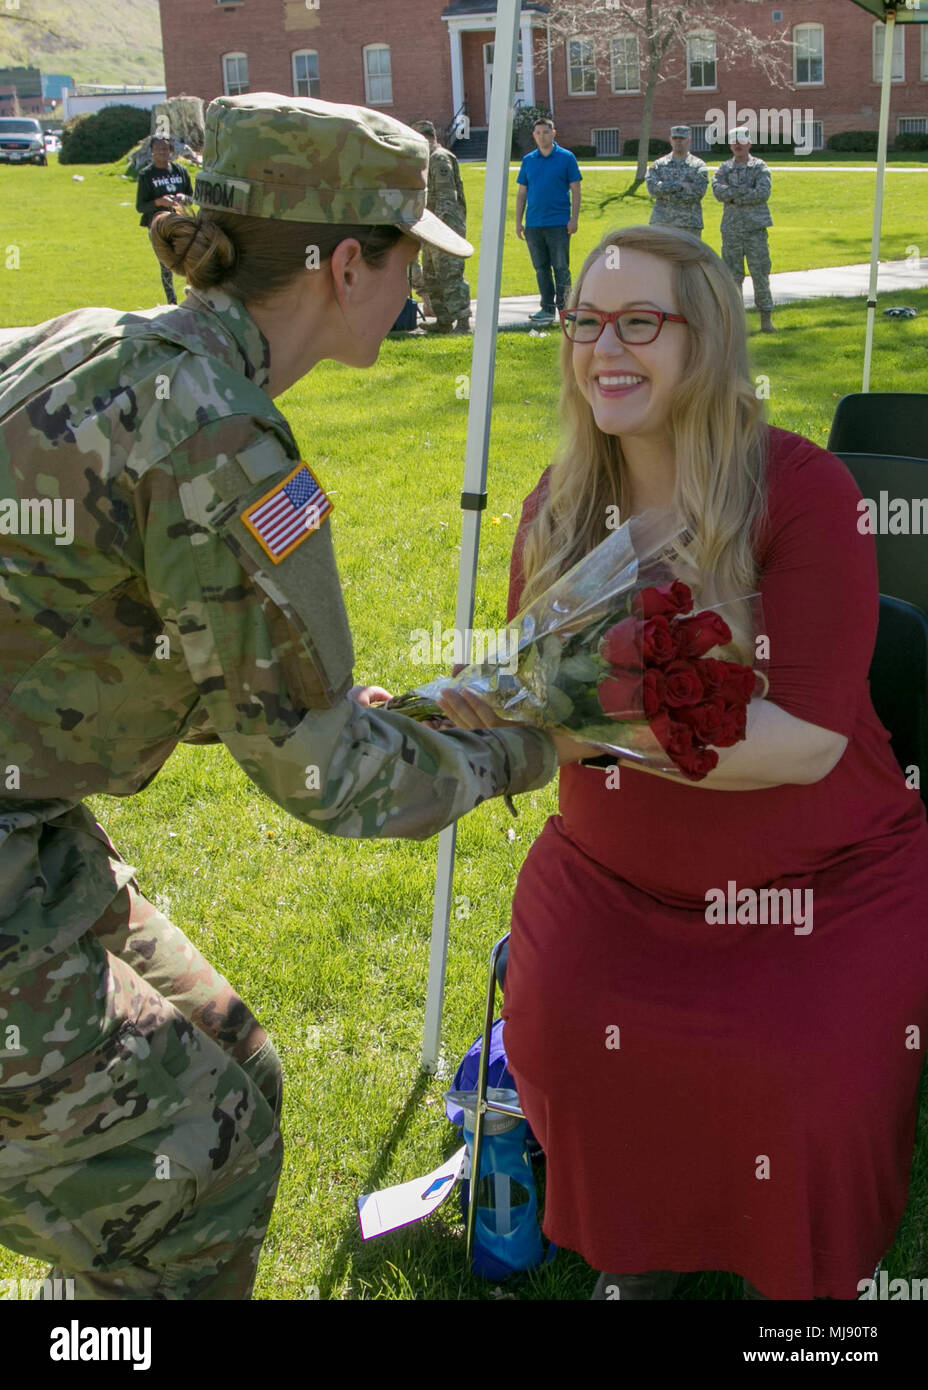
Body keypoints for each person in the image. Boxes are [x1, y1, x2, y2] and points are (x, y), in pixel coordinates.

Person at [0, 92, 585, 1301]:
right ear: (343, 264)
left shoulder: (95, 342)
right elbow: (324, 776)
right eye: (410, 252)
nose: (420, 277)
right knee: (193, 1166)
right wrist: (536, 744)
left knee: (234, 1071)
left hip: (30, 824)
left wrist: (306, 705)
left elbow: (71, 615)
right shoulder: (222, 443)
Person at [440, 223, 928, 1301]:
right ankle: (637, 1251)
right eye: (583, 323)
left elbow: (804, 742)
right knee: (568, 1031)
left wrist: (589, 725)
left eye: (638, 322)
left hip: (819, 889)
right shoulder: (556, 506)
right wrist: (460, 721)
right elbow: (543, 708)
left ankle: (798, 1275)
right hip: (615, 884)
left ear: (703, 338)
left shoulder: (799, 491)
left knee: (799, 1073)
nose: (601, 347)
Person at [515, 118, 582, 326]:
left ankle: (566, 310)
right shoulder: (528, 160)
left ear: (554, 133)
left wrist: (574, 219)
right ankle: (546, 308)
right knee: (541, 268)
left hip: (559, 223)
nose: (542, 136)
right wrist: (518, 222)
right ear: (533, 136)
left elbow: (576, 189)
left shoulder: (566, 158)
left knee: (561, 267)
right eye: (538, 133)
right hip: (534, 224)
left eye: (546, 132)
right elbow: (521, 194)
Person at [712, 126, 776, 333]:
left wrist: (734, 196)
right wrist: (743, 193)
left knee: (760, 273)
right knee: (732, 276)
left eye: (741, 141)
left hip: (755, 229)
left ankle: (766, 320)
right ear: (731, 145)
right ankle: (737, 322)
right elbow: (717, 191)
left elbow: (762, 192)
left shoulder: (760, 167)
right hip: (731, 230)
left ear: (749, 143)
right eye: (734, 142)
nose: (737, 145)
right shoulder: (724, 168)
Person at [410, 120, 471, 334]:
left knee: (450, 273)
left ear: (426, 138)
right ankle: (443, 320)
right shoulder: (426, 160)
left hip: (445, 227)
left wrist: (440, 231)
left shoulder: (439, 158)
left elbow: (447, 198)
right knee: (431, 274)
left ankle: (463, 320)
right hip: (430, 227)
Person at [136, 135, 194, 304]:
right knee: (166, 263)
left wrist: (184, 198)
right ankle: (171, 302)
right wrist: (159, 202)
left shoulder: (180, 171)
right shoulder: (146, 175)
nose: (162, 152)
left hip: (181, 221)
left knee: (190, 258)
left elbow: (192, 197)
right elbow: (140, 206)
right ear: (152, 152)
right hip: (158, 225)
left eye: (165, 149)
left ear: (171, 151)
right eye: (158, 149)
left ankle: (192, 297)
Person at [645, 124, 708, 238]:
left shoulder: (698, 165)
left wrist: (665, 193)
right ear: (670, 140)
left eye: (682, 138)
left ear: (689, 140)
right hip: (662, 223)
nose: (678, 141)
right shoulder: (659, 165)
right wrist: (681, 185)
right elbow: (652, 190)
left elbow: (697, 193)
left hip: (689, 224)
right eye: (675, 138)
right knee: (660, 256)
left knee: (690, 256)